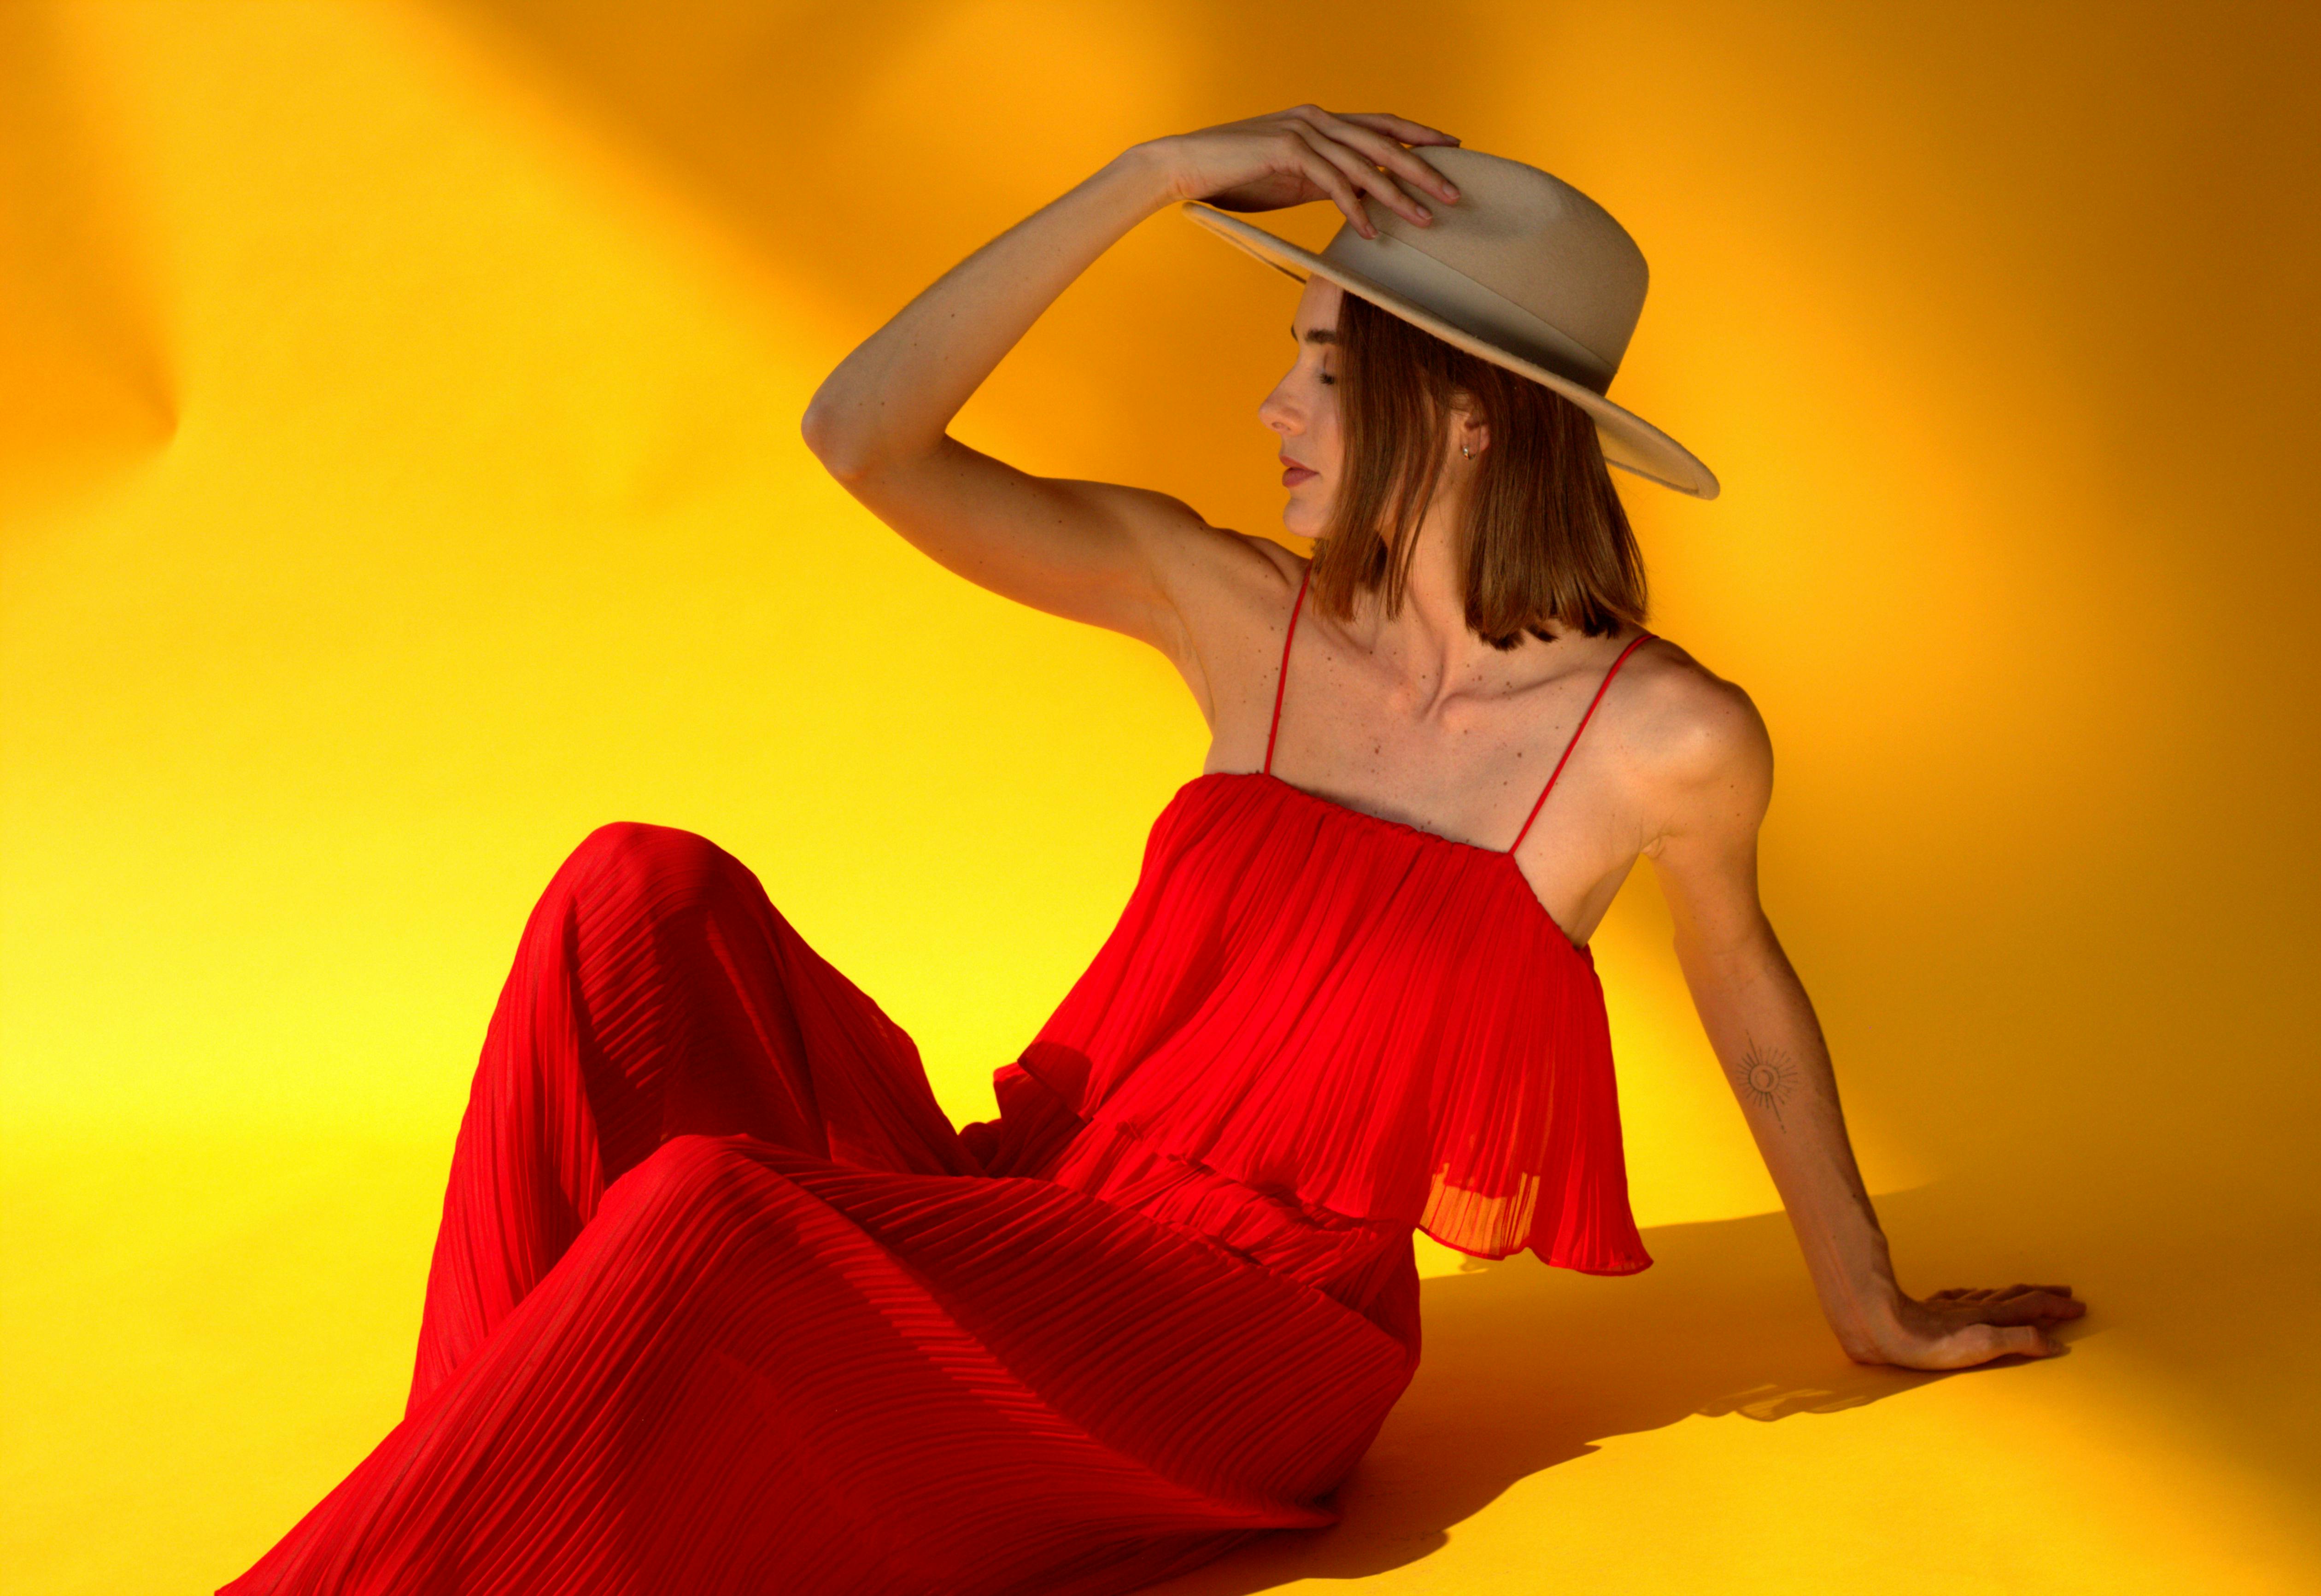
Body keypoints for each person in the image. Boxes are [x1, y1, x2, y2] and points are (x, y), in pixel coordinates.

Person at [221, 108, 2083, 1596]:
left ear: (1451, 413)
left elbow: (1747, 997)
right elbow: (860, 434)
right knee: (635, 892)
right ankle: (473, 1509)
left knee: (709, 1209)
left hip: (1233, 1339)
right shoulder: (1230, 609)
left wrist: (1869, 1302)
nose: (1269, 412)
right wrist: (1151, 175)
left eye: (1319, 375)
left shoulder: (1655, 738)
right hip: (1031, 1211)